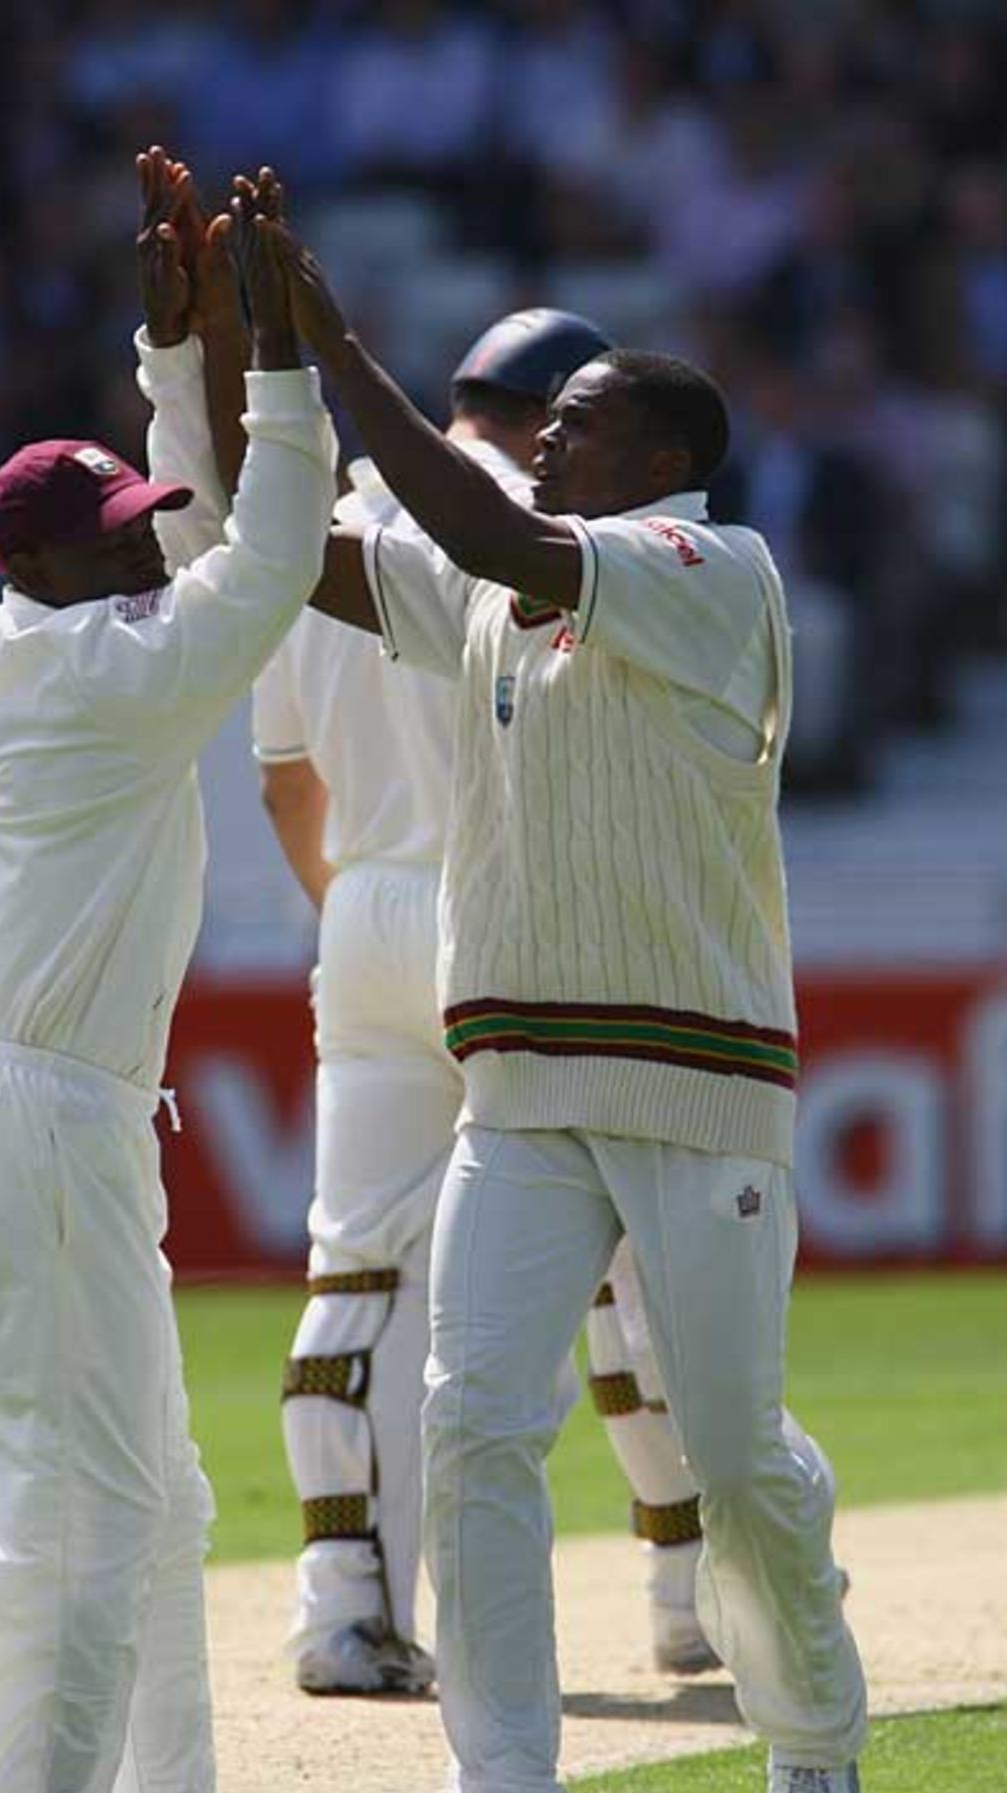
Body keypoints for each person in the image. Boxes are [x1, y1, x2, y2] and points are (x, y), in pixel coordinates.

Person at [264, 196, 868, 1793]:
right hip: (518, 1083)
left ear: (667, 451)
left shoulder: (710, 572)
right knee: (472, 1432)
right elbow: (296, 554)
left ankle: (810, 1726)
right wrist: (223, 360)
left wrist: (334, 341)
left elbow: (495, 536)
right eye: (540, 418)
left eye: (576, 418)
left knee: (738, 1452)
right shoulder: (491, 574)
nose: (542, 436)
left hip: (693, 1083)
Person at [0, 150, 353, 1793]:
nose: (133, 547)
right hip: (41, 1125)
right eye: (105, 533)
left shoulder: (46, 639)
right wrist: (270, 354)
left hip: (77, 1121)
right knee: (76, 1510)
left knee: (153, 1496)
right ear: (27, 559)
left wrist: (166, 358)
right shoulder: (102, 677)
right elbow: (261, 553)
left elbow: (187, 544)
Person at [249, 308, 719, 1695]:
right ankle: (687, 1587)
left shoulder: (319, 527)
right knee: (629, 1261)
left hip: (367, 910)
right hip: (515, 918)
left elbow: (287, 780)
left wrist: (350, 916)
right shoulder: (538, 520)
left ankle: (344, 1610)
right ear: (551, 414)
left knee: (359, 1269)